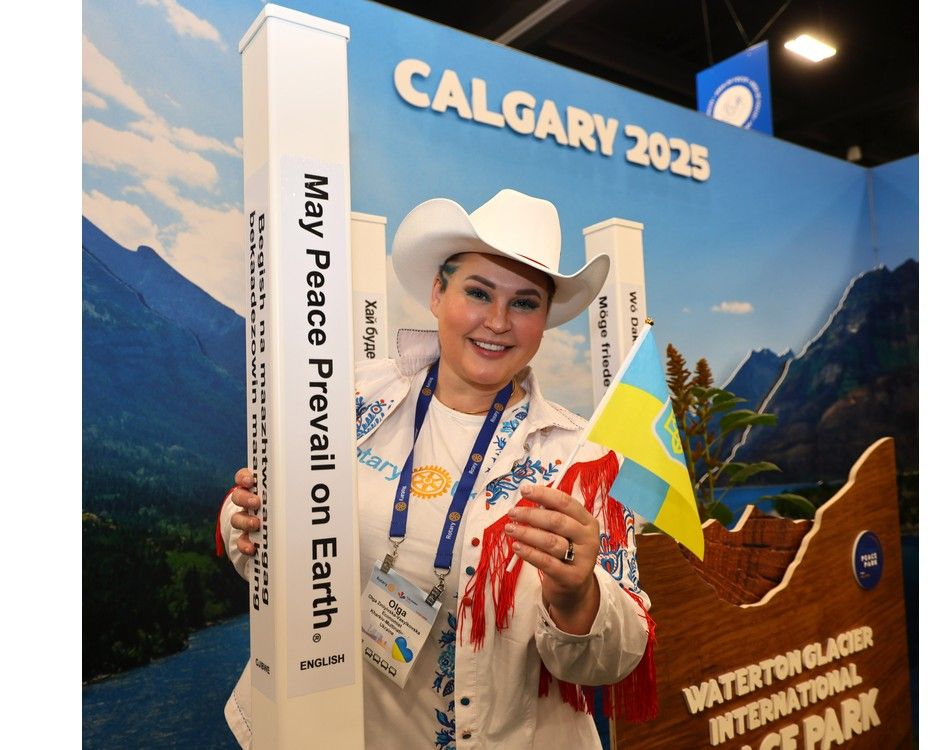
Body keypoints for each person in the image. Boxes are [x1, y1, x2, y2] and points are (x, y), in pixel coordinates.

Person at [219, 189, 656, 749]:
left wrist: (578, 598)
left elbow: (617, 655)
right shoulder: (345, 400)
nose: (497, 322)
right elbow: (268, 556)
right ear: (436, 293)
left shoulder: (580, 459)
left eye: (524, 302)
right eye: (478, 292)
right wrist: (248, 520)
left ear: (545, 320)